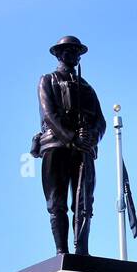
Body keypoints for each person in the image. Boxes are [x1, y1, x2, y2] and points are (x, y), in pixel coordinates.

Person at [32, 35, 107, 256]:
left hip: (84, 150)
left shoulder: (87, 88)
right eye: (68, 50)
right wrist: (72, 137)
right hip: (57, 146)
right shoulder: (48, 80)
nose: (73, 54)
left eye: (76, 51)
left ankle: (82, 249)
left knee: (84, 202)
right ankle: (61, 250)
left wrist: (91, 136)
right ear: (58, 54)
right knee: (57, 202)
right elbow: (49, 115)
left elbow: (100, 122)